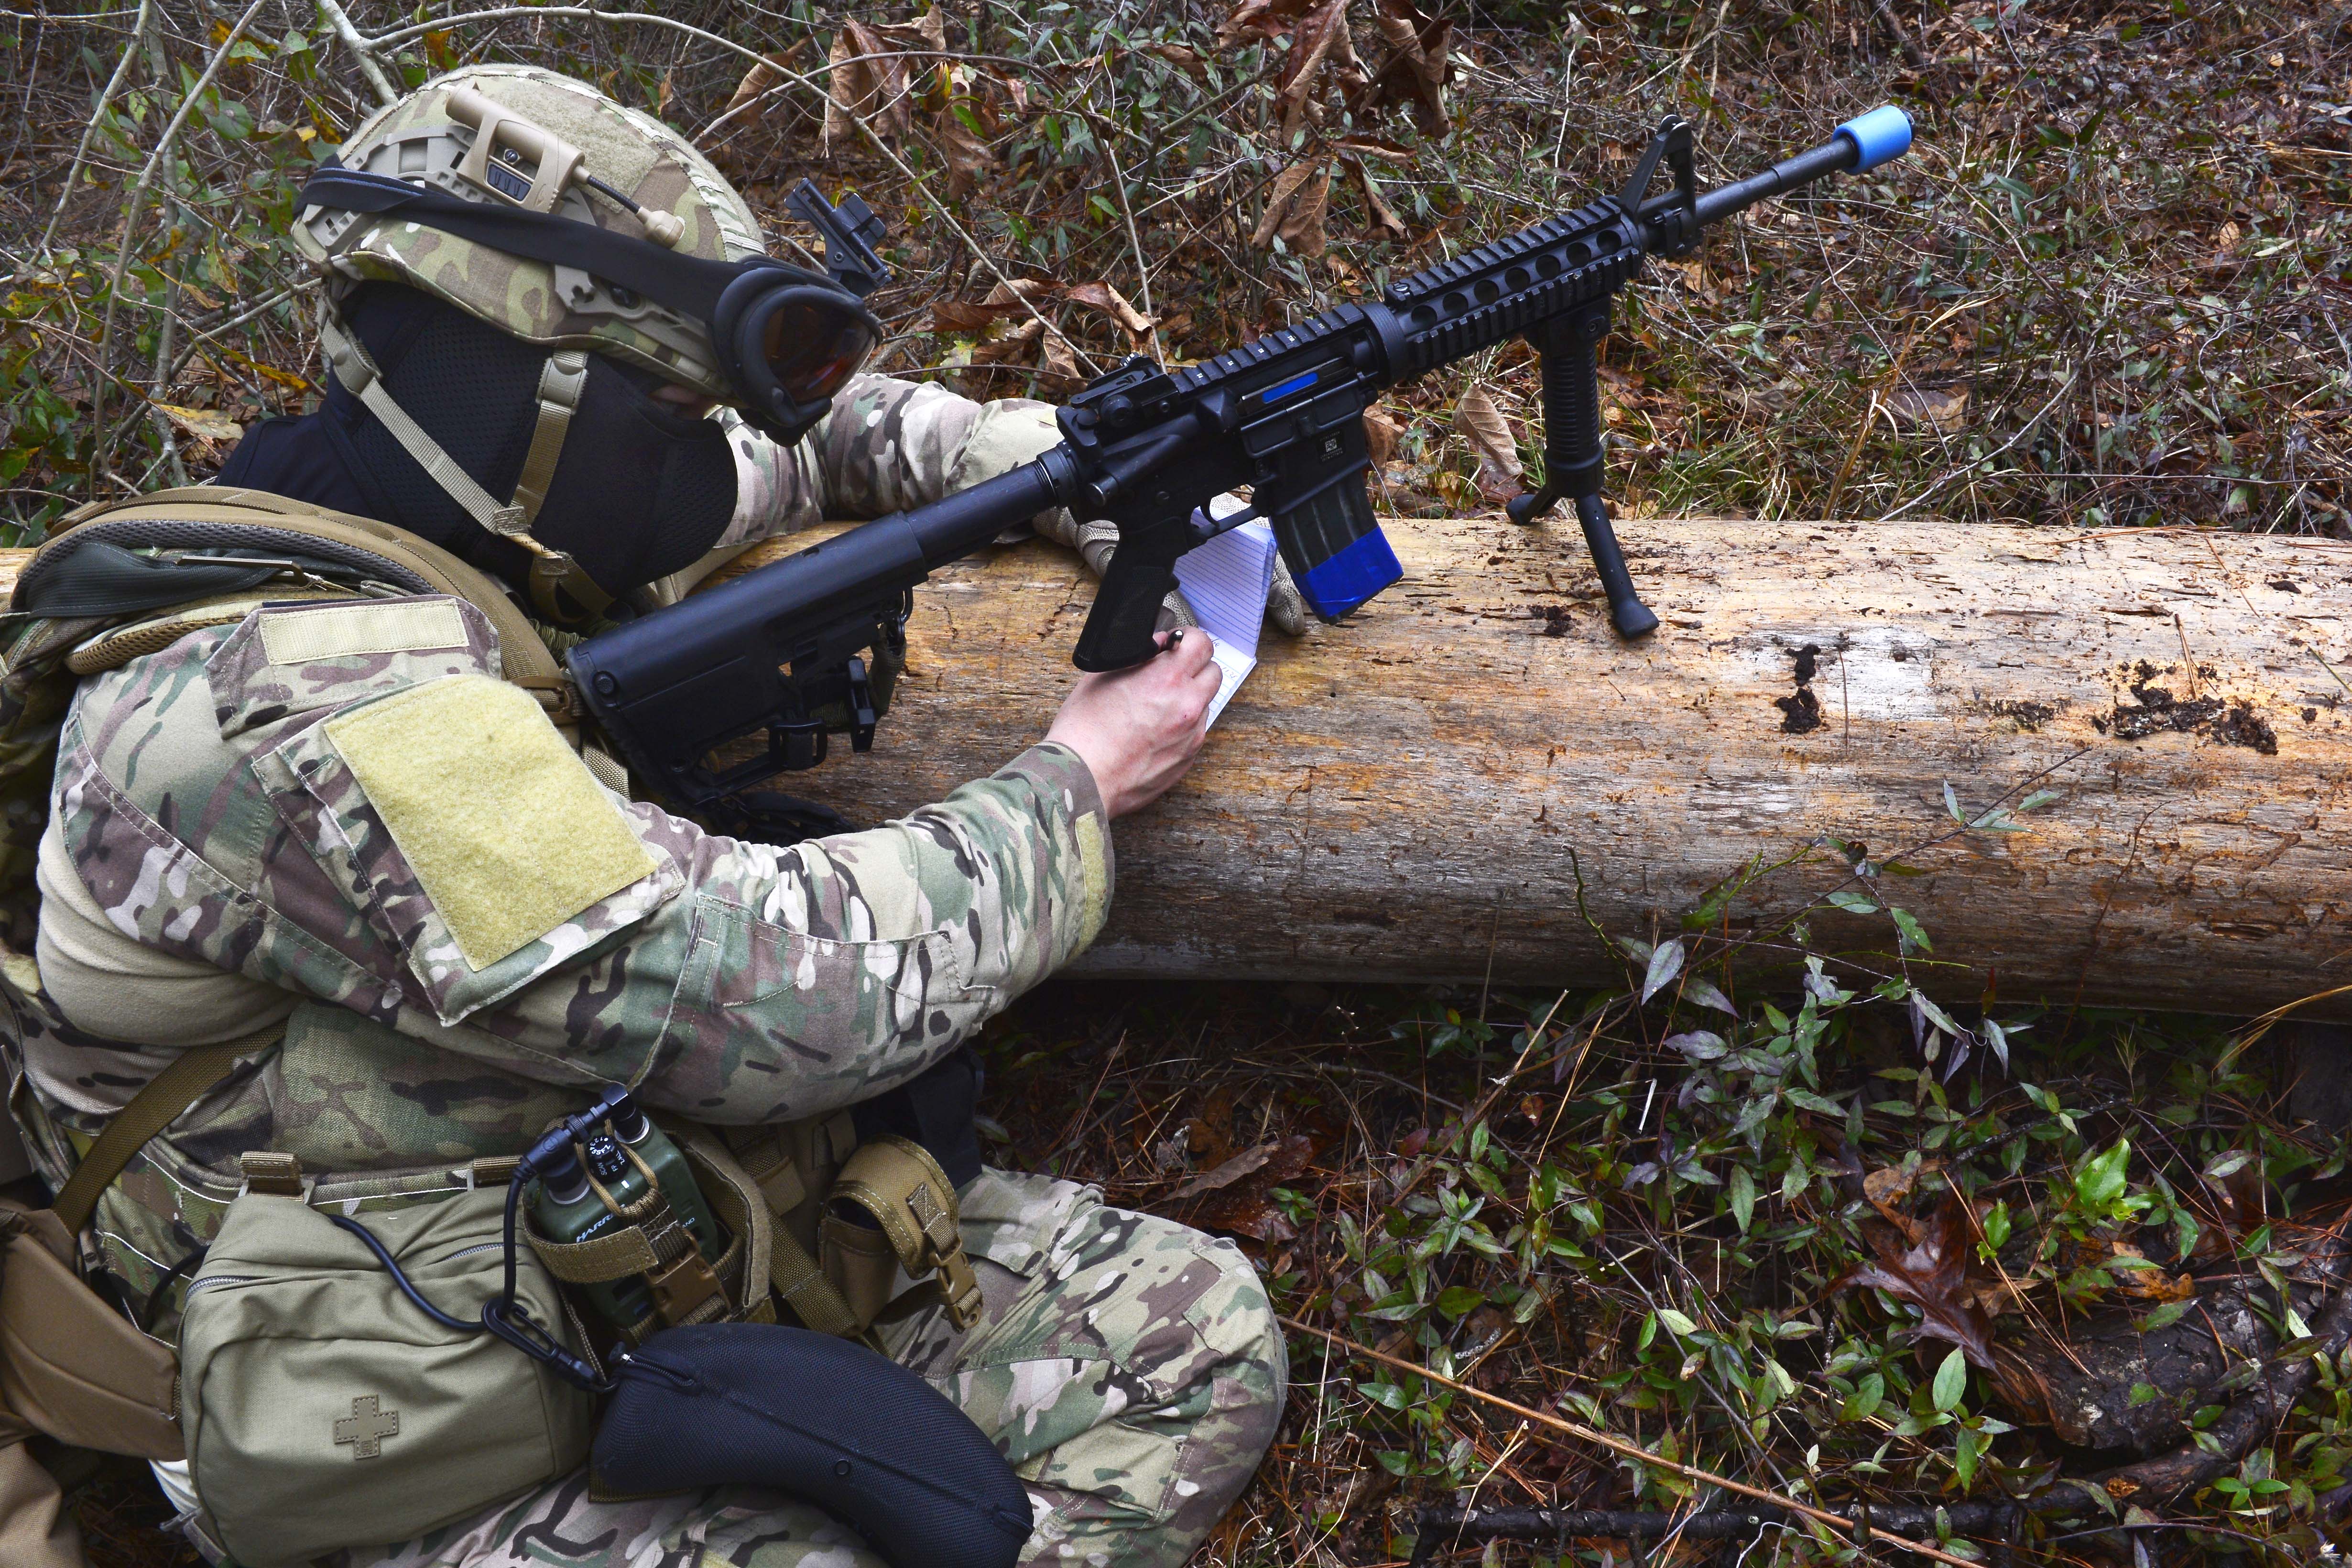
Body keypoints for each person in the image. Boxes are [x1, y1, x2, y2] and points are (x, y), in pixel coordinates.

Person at [1, 65, 1285, 1568]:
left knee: (1190, 1343)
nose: (698, 454)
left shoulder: (478, 515)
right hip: (397, 1407)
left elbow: (803, 444)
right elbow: (787, 1003)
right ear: (523, 393)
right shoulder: (292, 711)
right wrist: (1077, 781)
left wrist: (1047, 469)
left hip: (625, 1237)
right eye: (671, 407)